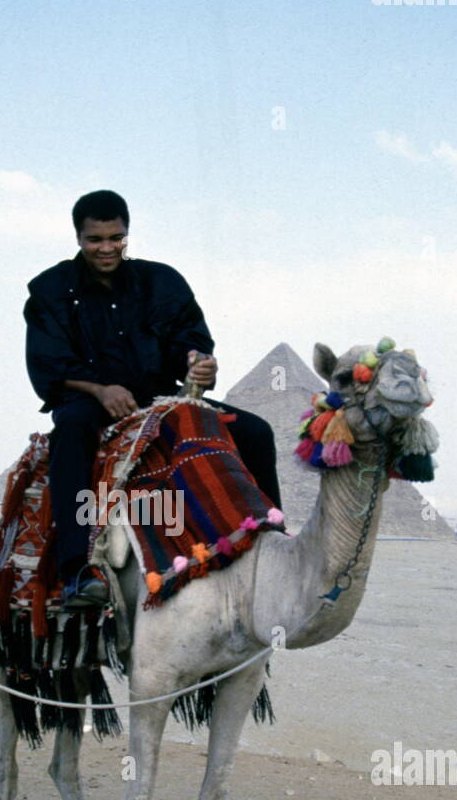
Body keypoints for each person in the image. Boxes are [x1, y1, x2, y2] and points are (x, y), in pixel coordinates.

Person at [24, 189, 282, 605]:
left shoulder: (162, 281)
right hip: (88, 401)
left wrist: (200, 363)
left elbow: (193, 341)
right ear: (78, 237)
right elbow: (47, 364)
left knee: (255, 432)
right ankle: (75, 570)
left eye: (116, 238)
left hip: (160, 400)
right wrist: (99, 389)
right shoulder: (50, 290)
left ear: (127, 235)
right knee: (70, 432)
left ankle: (269, 540)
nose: (106, 248)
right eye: (96, 240)